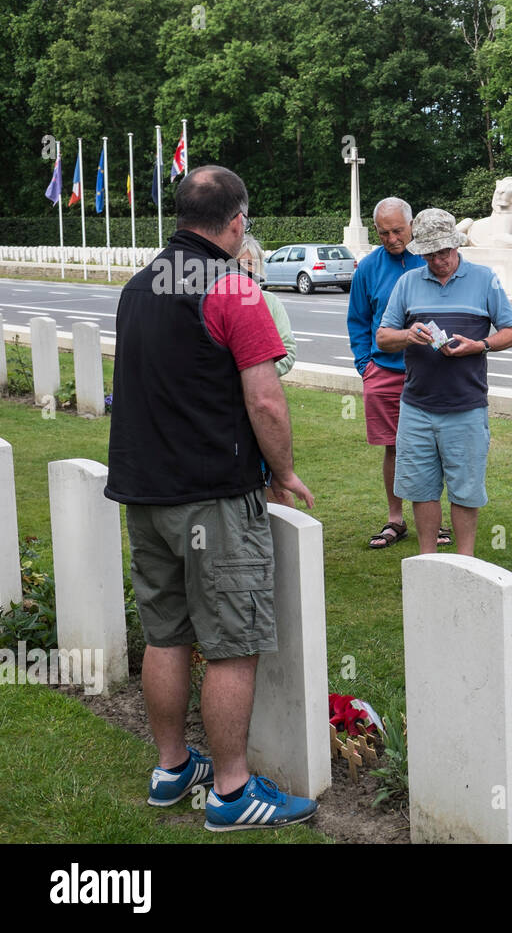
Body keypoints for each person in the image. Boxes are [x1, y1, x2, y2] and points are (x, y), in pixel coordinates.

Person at [105, 164, 318, 831]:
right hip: (211, 496)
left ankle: (173, 768)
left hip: (145, 491)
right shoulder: (234, 288)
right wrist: (282, 472)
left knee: (165, 632)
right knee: (231, 642)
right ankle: (231, 792)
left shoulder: (141, 285)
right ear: (236, 223)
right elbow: (265, 398)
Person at [375, 208, 512, 556]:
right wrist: (408, 335)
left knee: (466, 490)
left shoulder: (485, 279)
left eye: (445, 252)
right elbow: (382, 337)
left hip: (466, 406)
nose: (439, 261)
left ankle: (465, 560)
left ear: (456, 246)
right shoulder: (407, 282)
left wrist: (480, 345)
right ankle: (428, 560)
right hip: (417, 407)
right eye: (430, 254)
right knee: (422, 490)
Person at [347, 197, 428, 549]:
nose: (392, 238)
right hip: (383, 370)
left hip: (428, 371)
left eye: (398, 230)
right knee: (393, 447)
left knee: (429, 446)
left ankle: (431, 518)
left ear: (411, 225)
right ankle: (396, 519)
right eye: (383, 233)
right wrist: (365, 365)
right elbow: (358, 320)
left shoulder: (429, 258)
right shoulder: (367, 268)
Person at [239, 235, 298, 508]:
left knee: (275, 482)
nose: (247, 269)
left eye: (252, 263)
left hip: (261, 403)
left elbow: (287, 351)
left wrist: (257, 375)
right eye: (240, 263)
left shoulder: (269, 302)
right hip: (227, 411)